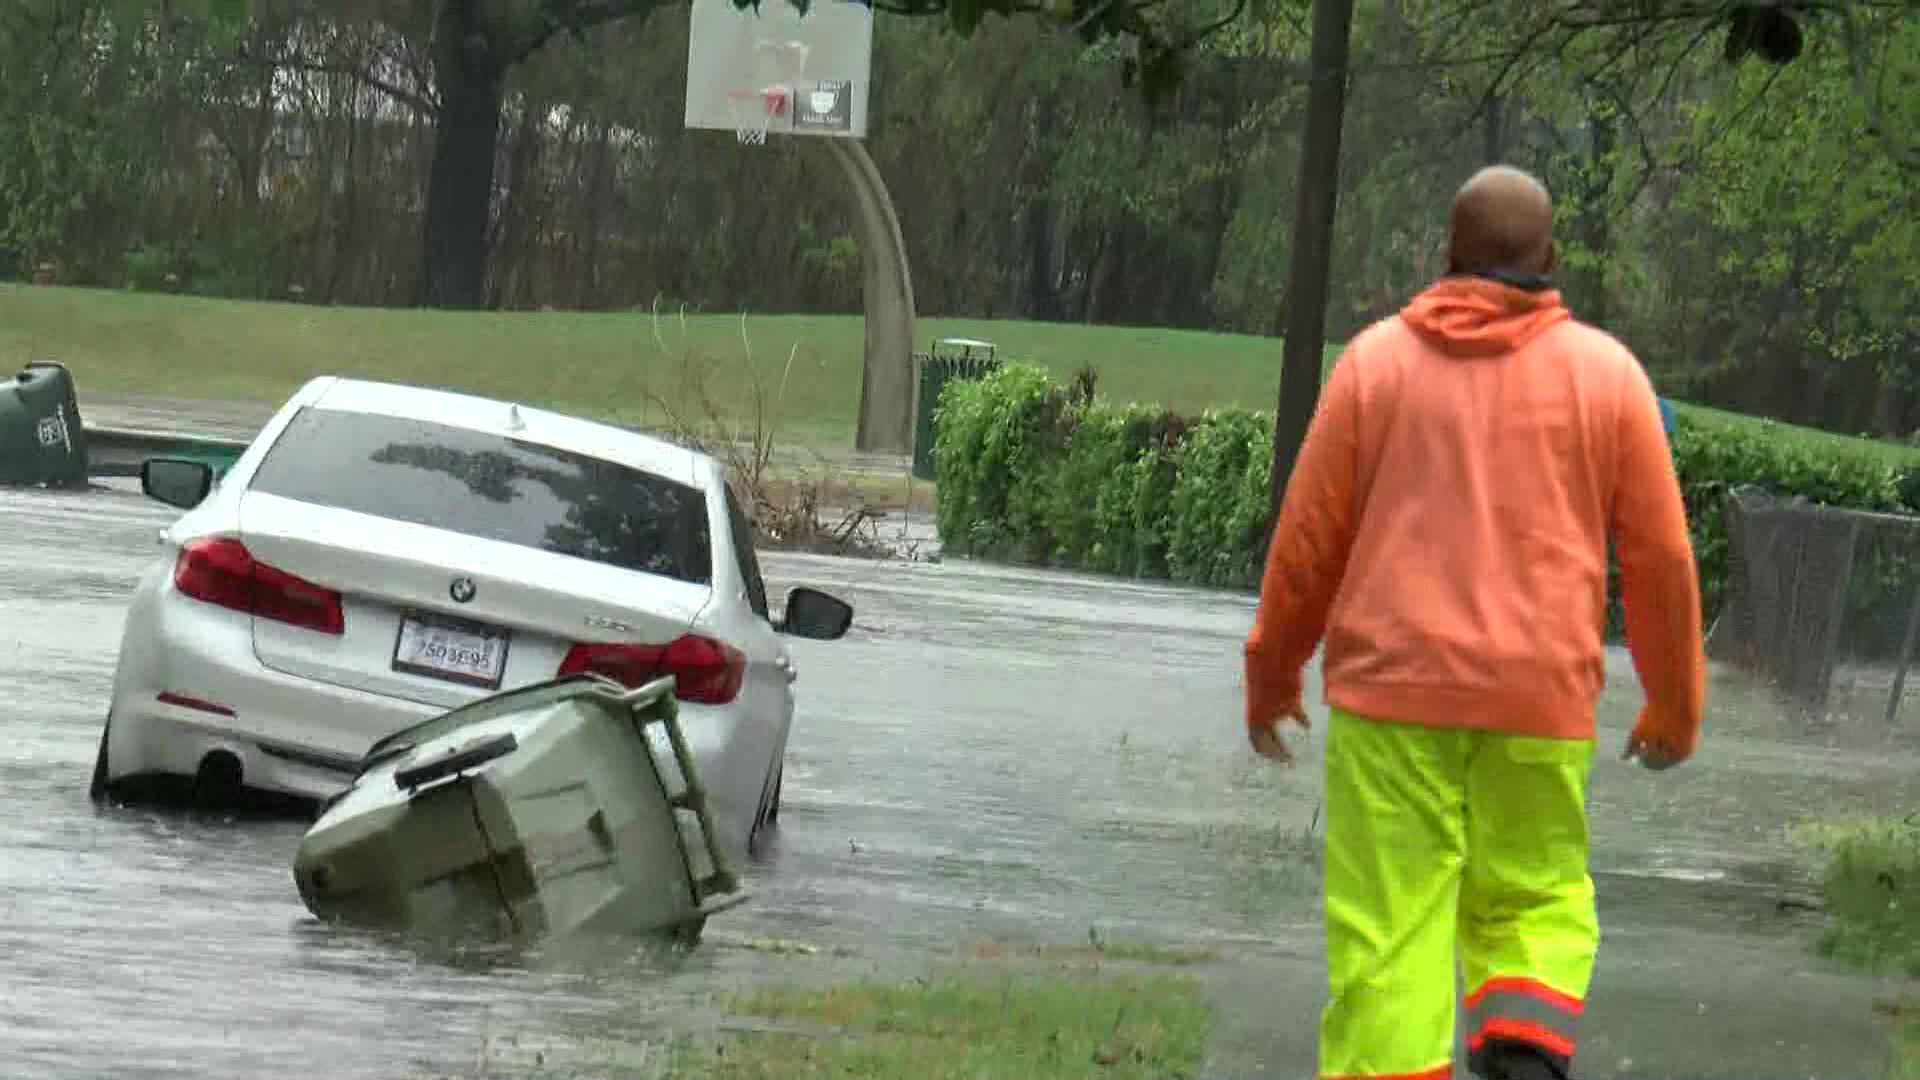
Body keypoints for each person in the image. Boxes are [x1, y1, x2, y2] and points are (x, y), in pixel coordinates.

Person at [1242, 165, 1706, 1080]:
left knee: (1390, 929)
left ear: (1446, 256)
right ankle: (1524, 1046)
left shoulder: (1375, 367)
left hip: (1392, 703)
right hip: (1540, 702)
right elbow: (1661, 559)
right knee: (1532, 897)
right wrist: (1672, 707)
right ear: (1552, 261)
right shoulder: (1607, 379)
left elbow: (1307, 544)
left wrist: (1272, 677)